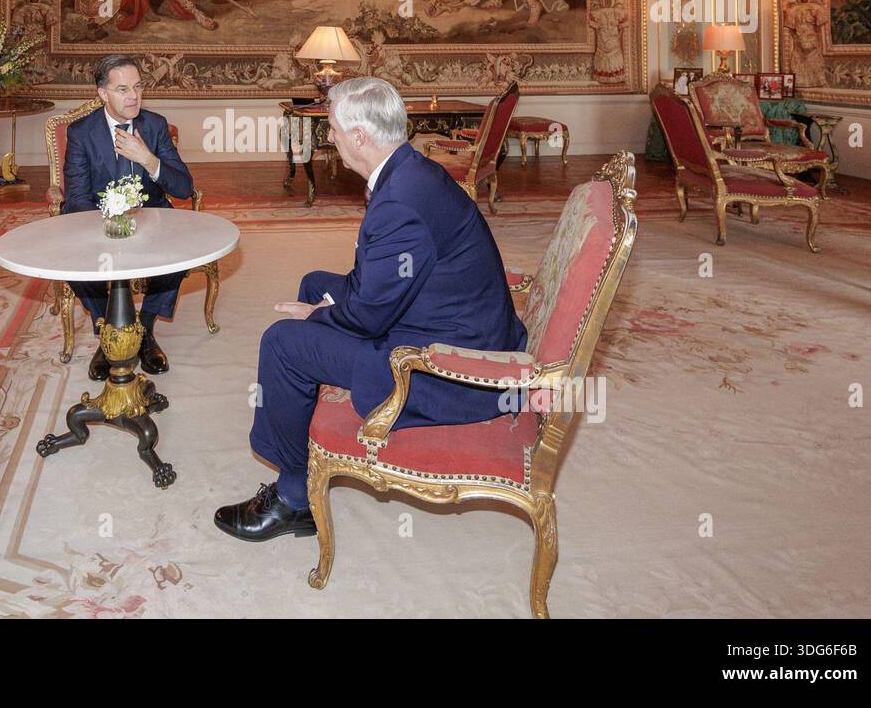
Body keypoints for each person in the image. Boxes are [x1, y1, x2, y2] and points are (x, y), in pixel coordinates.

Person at [214, 77, 528, 541]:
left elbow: (368, 317)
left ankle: (293, 497)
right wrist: (323, 305)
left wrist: (318, 317)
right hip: (451, 320)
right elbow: (384, 282)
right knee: (314, 285)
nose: (331, 138)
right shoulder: (412, 170)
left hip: (446, 369)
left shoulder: (401, 201)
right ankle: (313, 436)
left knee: (282, 342)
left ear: (360, 136)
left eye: (335, 130)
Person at [62, 54, 196, 381]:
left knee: (183, 250)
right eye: (122, 89)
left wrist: (149, 160)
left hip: (152, 216)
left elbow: (184, 187)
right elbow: (77, 196)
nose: (133, 96)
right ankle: (106, 330)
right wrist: (108, 226)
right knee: (69, 256)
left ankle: (145, 329)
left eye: (137, 87)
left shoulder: (155, 125)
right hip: (99, 219)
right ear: (103, 94)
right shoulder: (82, 133)